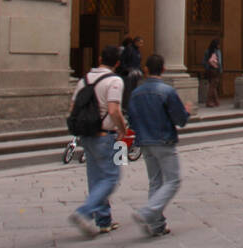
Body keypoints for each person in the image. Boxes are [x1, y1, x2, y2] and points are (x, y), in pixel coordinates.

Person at [127, 53, 189, 237]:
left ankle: (156, 225)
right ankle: (147, 212)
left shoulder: (136, 93)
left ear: (146, 70)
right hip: (163, 141)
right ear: (163, 69)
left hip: (144, 141)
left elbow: (131, 118)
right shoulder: (167, 91)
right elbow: (180, 119)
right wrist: (186, 112)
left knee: (155, 181)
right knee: (173, 180)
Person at [69, 45, 127, 236]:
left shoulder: (84, 79)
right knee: (111, 177)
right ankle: (84, 212)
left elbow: (72, 108)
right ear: (117, 63)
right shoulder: (114, 80)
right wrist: (122, 129)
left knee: (95, 179)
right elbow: (113, 110)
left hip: (86, 136)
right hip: (105, 136)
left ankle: (104, 220)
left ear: (100, 57)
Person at [118, 36, 144, 103]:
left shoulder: (137, 50)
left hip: (136, 71)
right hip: (130, 72)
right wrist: (126, 69)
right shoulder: (129, 49)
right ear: (136, 42)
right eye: (140, 43)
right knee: (129, 89)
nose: (141, 45)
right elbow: (123, 60)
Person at [202, 38, 222, 107]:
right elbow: (219, 62)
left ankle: (216, 101)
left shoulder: (207, 51)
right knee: (212, 87)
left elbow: (203, 62)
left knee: (213, 85)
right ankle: (208, 101)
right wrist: (220, 70)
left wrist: (207, 68)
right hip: (215, 71)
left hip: (209, 71)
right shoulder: (218, 51)